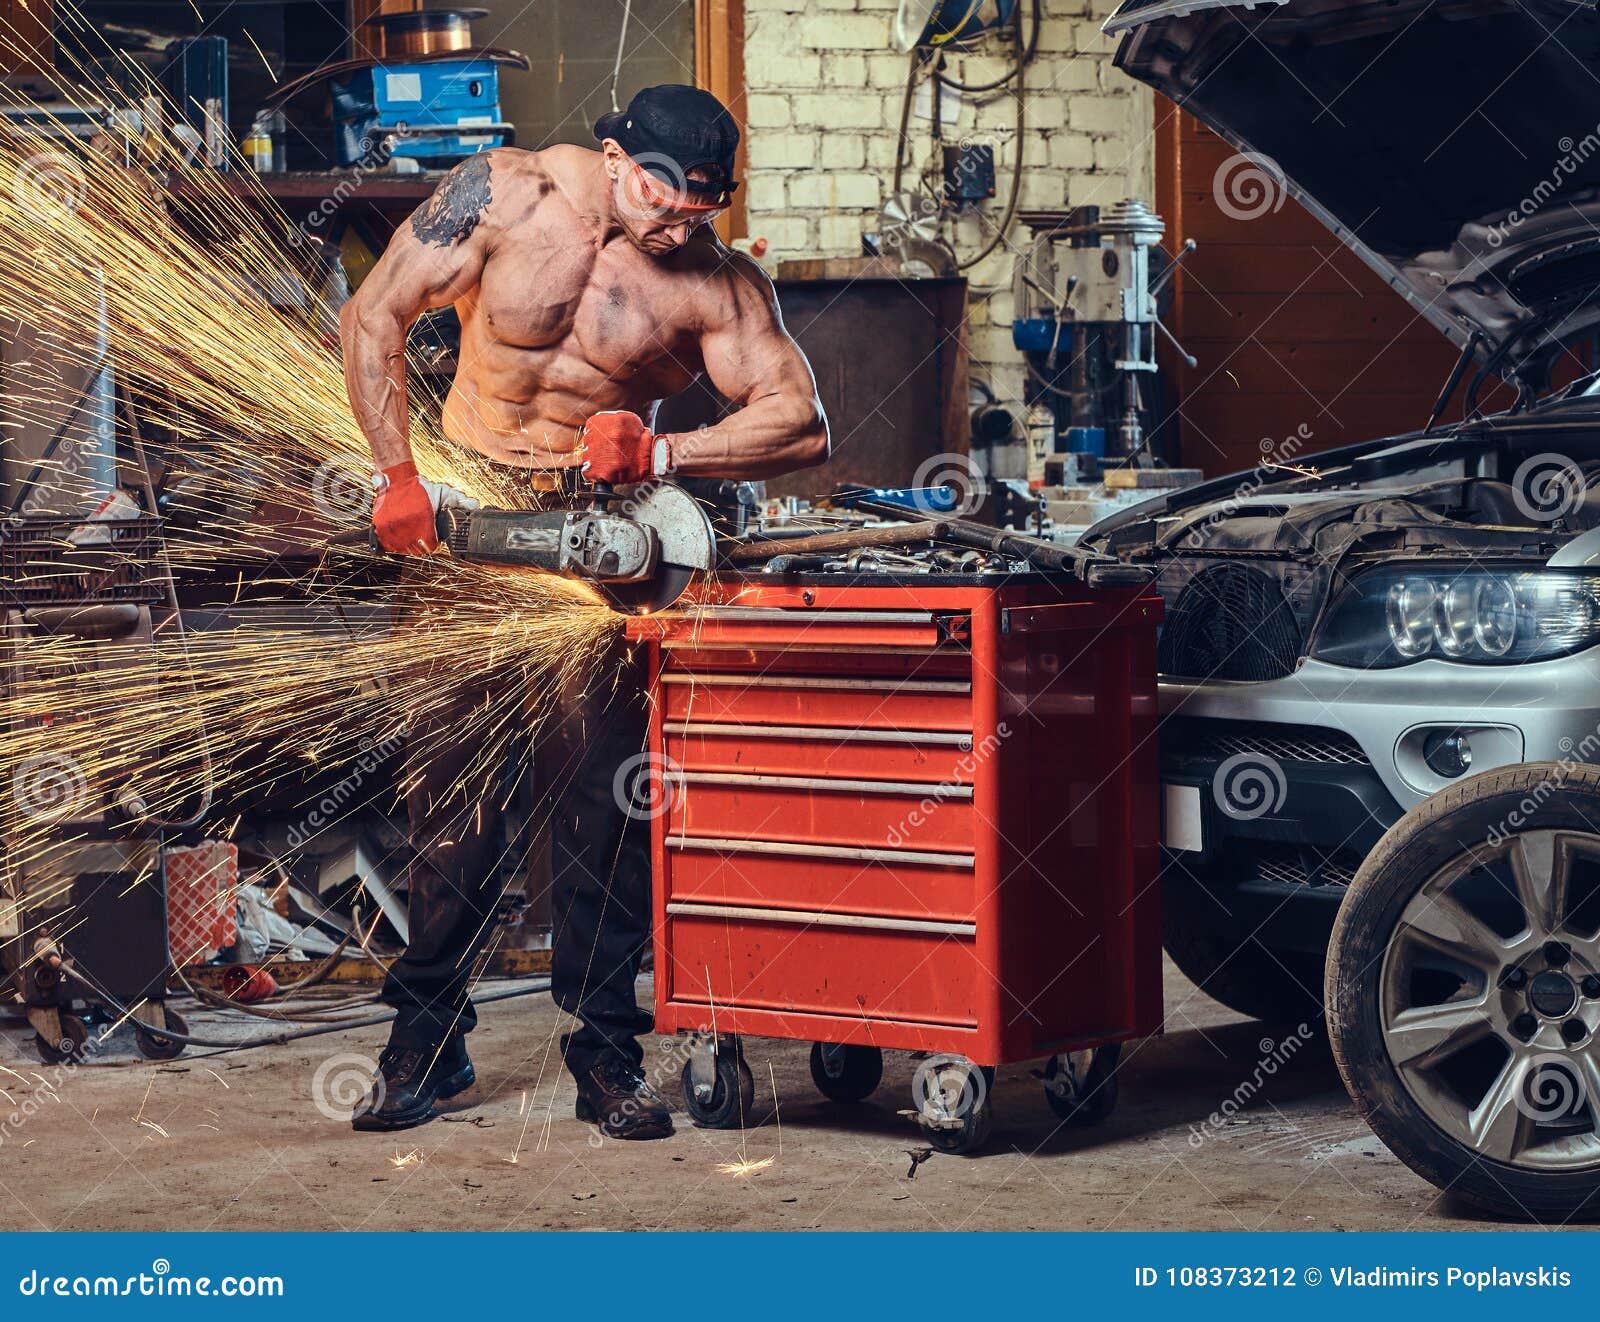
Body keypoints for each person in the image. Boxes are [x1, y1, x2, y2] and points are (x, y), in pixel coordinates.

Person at [337, 85, 827, 1137]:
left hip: (599, 540)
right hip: (465, 521)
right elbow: (374, 310)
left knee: (601, 803)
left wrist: (661, 451)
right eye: (665, 195)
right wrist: (395, 472)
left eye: (704, 207)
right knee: (457, 800)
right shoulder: (504, 195)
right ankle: (426, 1034)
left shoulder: (713, 280)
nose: (679, 222)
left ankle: (605, 1046)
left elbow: (800, 418)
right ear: (615, 156)